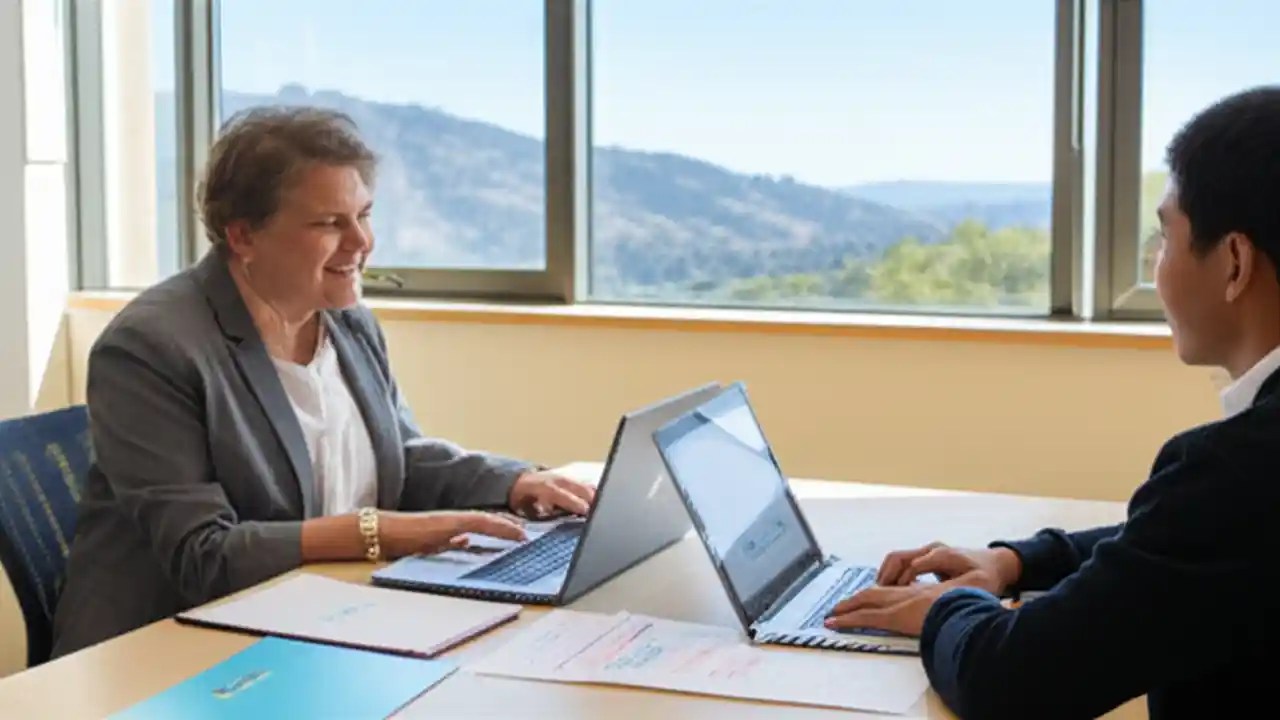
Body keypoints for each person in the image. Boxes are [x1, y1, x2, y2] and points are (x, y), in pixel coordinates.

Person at [50, 106, 595, 658]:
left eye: (364, 215)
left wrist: (515, 483)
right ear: (243, 235)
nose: (361, 241)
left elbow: (397, 458)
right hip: (168, 650)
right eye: (330, 223)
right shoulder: (151, 348)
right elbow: (202, 554)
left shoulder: (348, 321)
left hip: (321, 617)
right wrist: (379, 532)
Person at [826, 85, 1280, 720]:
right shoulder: (1231, 490)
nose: (1156, 266)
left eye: (1164, 238)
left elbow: (1009, 682)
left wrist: (945, 609)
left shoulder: (1239, 469)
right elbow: (1181, 543)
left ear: (1233, 262)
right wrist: (1014, 563)